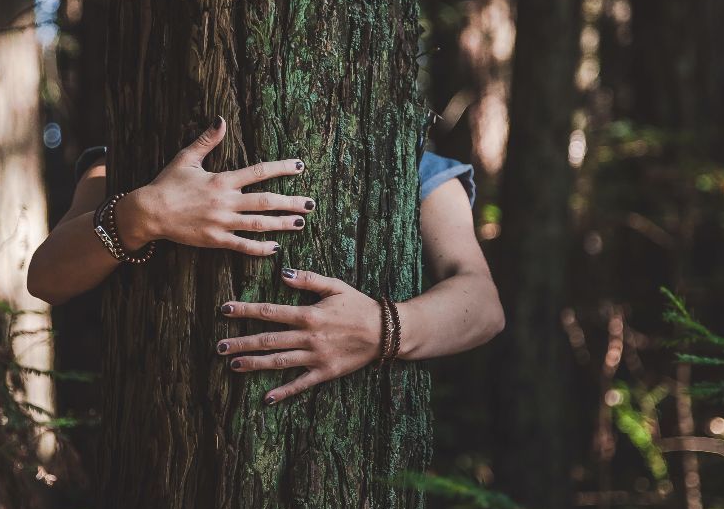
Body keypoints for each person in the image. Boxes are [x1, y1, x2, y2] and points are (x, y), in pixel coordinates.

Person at [28, 115, 504, 405]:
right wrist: (146, 212)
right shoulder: (129, 156)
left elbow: (482, 304)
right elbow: (47, 276)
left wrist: (381, 328)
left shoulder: (412, 166)